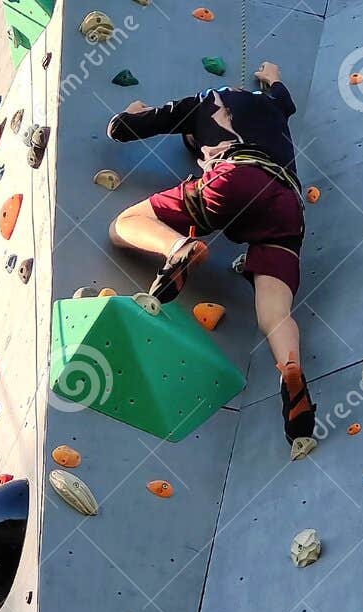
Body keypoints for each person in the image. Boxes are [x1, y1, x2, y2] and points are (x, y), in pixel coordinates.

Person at [106, 61, 316, 459]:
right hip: (288, 203)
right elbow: (283, 97)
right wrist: (273, 75)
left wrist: (134, 111)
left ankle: (176, 248)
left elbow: (121, 129)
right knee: (274, 315)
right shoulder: (272, 105)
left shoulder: (203, 102)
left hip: (236, 177)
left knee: (125, 223)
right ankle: (290, 367)